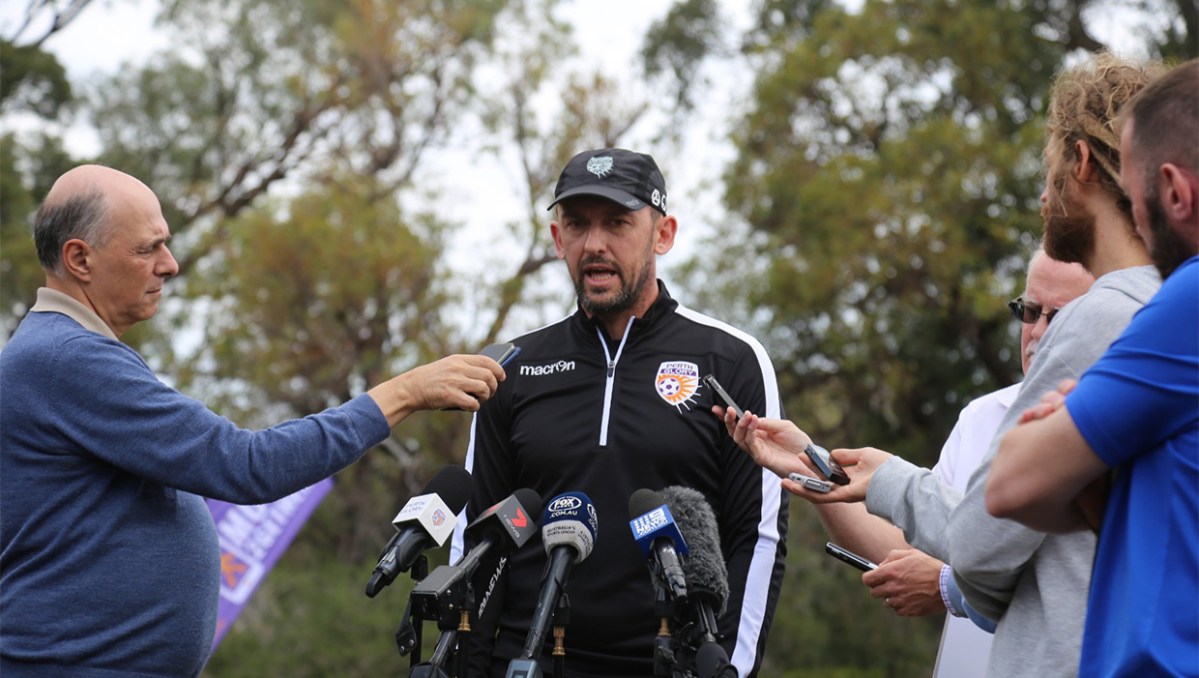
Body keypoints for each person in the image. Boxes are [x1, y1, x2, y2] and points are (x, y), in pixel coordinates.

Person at [717, 52, 1163, 677]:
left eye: (1053, 168)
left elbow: (983, 542)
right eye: (1025, 311)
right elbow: (1007, 569)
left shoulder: (1102, 318)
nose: (1043, 195)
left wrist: (895, 480)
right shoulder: (1171, 313)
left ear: (1083, 164)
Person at [0, 165, 505, 677]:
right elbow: (247, 464)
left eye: (166, 244)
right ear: (79, 258)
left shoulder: (61, 355)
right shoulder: (67, 359)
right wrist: (405, 392)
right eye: (146, 249)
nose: (170, 264)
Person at [453, 148, 788, 676]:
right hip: (526, 663)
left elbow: (757, 536)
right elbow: (476, 536)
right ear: (558, 239)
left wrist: (728, 670)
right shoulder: (511, 368)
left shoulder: (731, 360)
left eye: (617, 223)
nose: (595, 245)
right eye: (577, 225)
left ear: (663, 234)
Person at [717, 248, 1093, 678]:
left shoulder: (1121, 428)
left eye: (1059, 316)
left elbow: (1064, 585)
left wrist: (951, 587)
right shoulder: (981, 417)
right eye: (1029, 312)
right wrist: (810, 467)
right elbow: (913, 548)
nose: (1037, 332)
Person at [987, 58, 1198, 677]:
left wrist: (1063, 443)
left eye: (1136, 195)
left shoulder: (1183, 302)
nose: (1134, 218)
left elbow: (1010, 484)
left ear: (1175, 194)